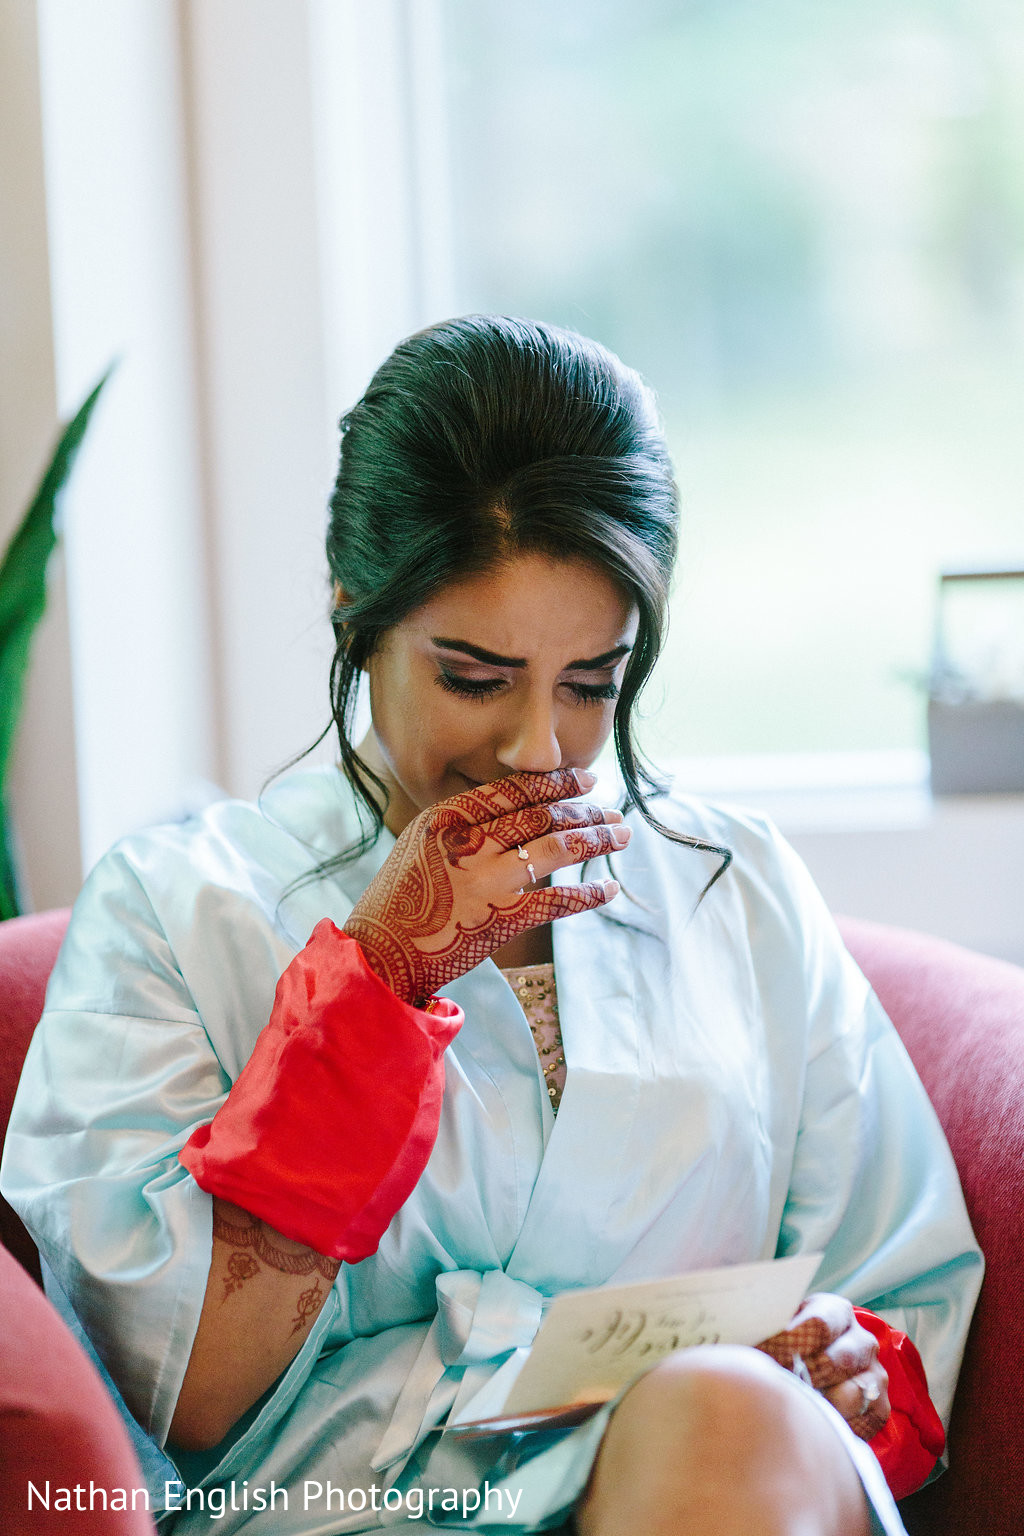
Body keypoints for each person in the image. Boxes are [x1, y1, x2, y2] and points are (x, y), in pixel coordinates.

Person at [2, 316, 981, 1536]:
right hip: (338, 1515)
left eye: (592, 685)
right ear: (355, 610)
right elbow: (185, 1398)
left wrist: (840, 1359)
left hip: (717, 1486)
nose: (538, 750)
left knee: (721, 1419)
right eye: (474, 677)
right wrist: (382, 977)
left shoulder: (734, 886)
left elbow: (896, 1288)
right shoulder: (176, 908)